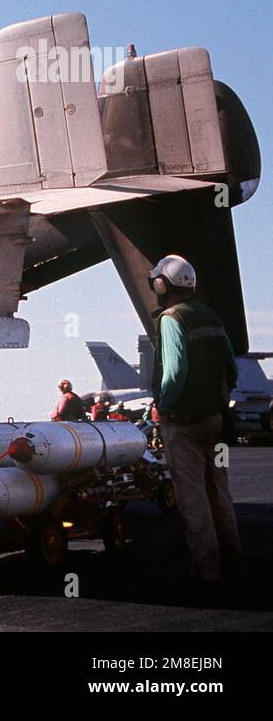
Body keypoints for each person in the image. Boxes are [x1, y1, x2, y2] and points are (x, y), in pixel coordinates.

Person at [148, 254, 243, 596]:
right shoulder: (210, 316)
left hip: (183, 424)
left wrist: (163, 405)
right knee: (220, 493)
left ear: (162, 285)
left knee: (193, 497)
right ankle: (234, 563)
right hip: (215, 423)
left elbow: (174, 372)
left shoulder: (172, 319)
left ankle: (207, 572)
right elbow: (232, 367)